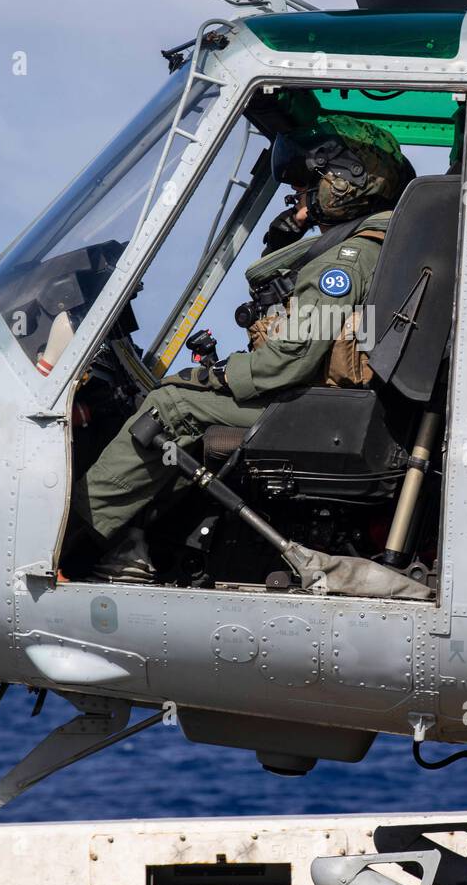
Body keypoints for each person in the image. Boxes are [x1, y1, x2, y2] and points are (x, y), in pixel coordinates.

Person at [63, 117, 413, 583]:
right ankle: (139, 539)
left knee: (171, 404)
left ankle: (73, 546)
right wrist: (282, 241)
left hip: (330, 416)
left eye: (308, 186)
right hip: (343, 410)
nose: (300, 201)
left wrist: (222, 375)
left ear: (346, 183)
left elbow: (288, 359)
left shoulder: (345, 263)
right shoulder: (383, 246)